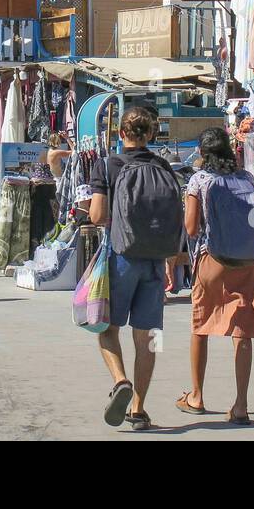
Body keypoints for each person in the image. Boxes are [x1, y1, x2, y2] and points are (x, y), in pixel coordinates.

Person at [89, 105, 183, 432]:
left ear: (121, 133)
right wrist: (171, 259)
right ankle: (139, 410)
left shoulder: (108, 165)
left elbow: (97, 215)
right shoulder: (164, 167)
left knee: (106, 329)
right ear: (152, 134)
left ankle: (120, 382)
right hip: (156, 260)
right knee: (150, 338)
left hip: (121, 258)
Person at [177, 127, 254, 423]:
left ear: (202, 153)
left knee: (200, 326)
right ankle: (241, 405)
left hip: (212, 261)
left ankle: (196, 396)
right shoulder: (247, 178)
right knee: (242, 331)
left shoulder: (199, 180)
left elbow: (191, 228)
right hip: (247, 261)